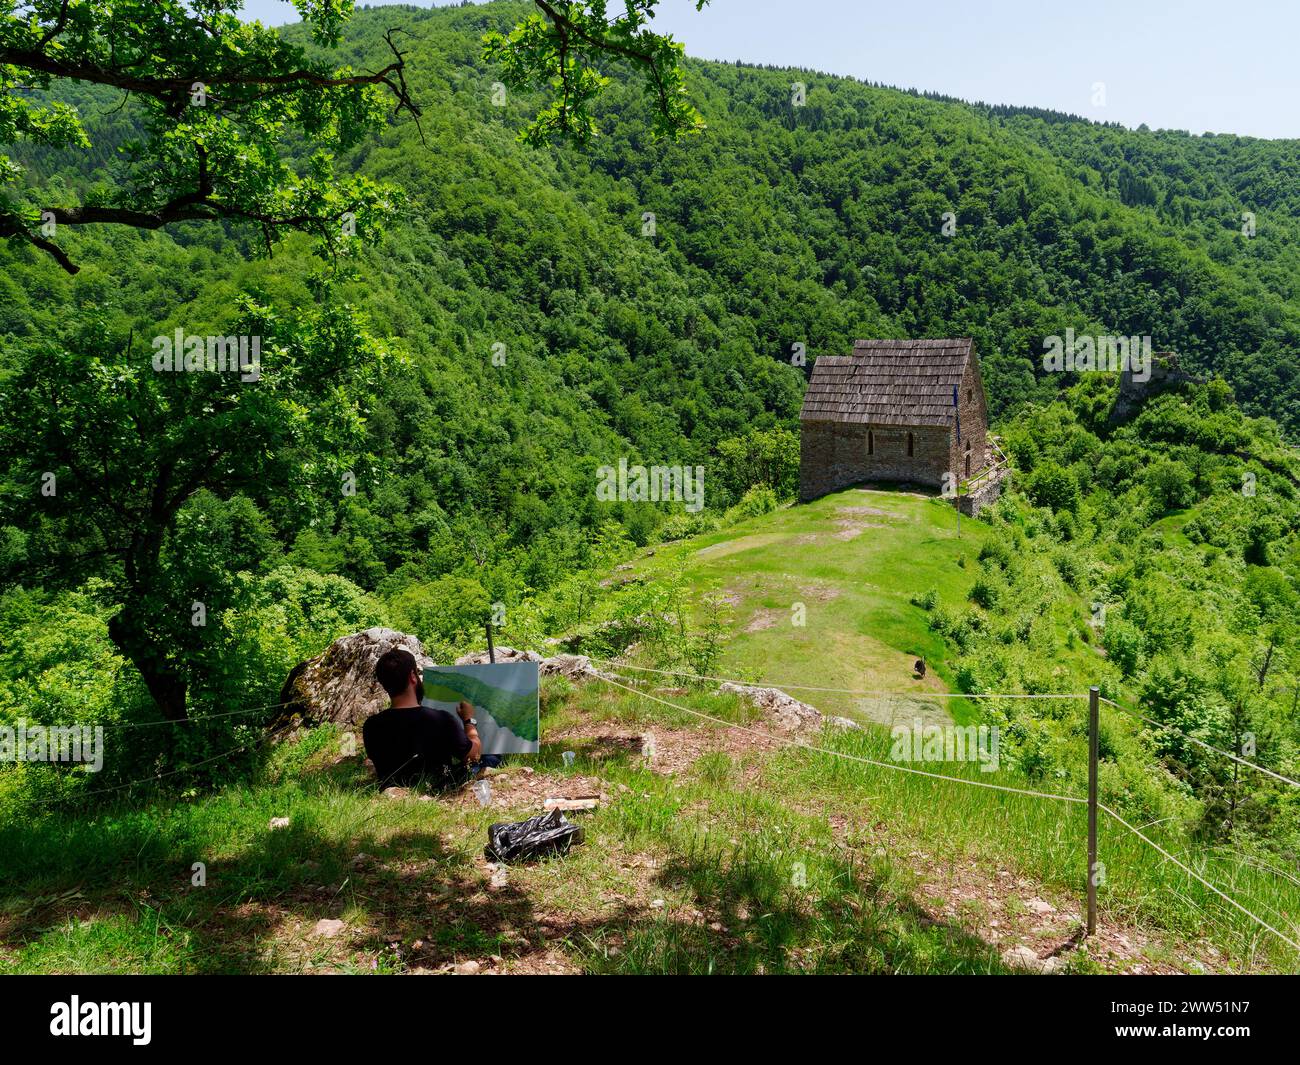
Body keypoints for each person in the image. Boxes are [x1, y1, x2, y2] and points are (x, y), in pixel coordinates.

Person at [363, 648, 481, 789]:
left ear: (384, 684)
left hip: (393, 793)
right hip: (437, 790)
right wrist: (468, 721)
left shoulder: (371, 726)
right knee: (490, 759)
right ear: (413, 676)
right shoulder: (440, 719)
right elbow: (473, 756)